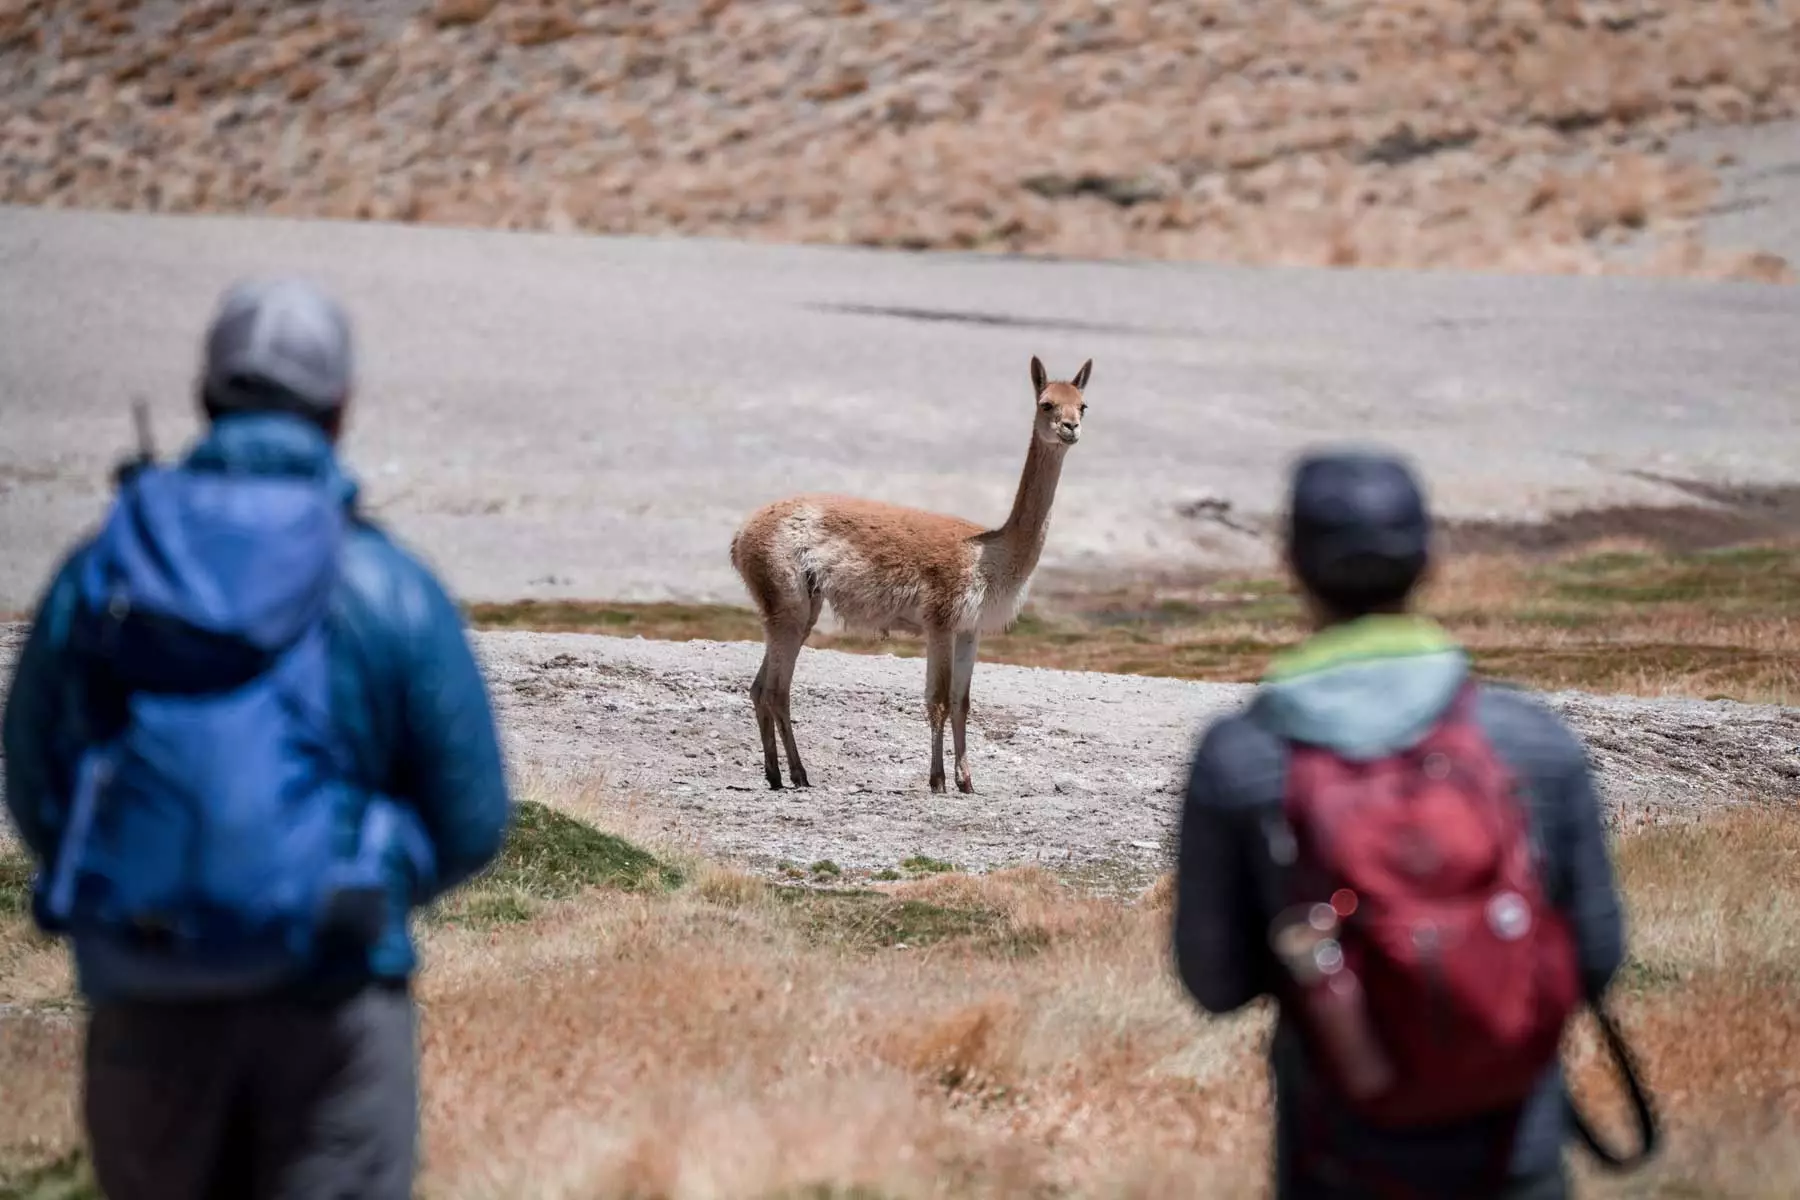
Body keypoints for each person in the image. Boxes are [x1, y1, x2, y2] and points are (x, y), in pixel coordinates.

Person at [2, 277, 513, 1200]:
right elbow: (471, 814)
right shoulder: (384, 585)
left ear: (204, 395)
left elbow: (35, 774)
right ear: (340, 406)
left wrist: (132, 884)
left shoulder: (101, 570)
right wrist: (364, 877)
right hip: (333, 998)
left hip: (146, 999)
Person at [1171, 448, 1626, 1200]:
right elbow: (1599, 956)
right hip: (1518, 1150)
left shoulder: (1244, 757)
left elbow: (1213, 983)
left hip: (1338, 1153)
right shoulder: (1529, 741)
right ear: (1431, 560)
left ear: (1291, 565)